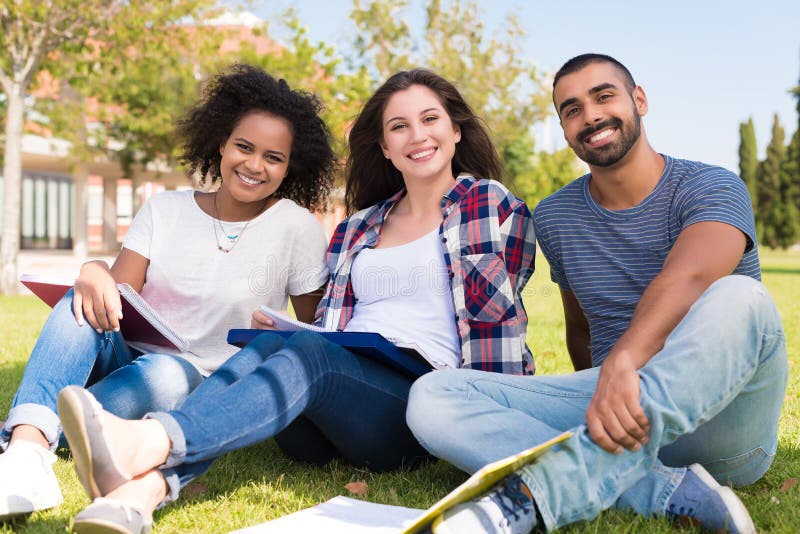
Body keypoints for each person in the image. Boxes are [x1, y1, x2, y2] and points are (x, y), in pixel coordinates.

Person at [54, 68, 536, 534]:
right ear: (385, 147)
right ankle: (140, 481)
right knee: (273, 345)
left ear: (455, 130)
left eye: (430, 120)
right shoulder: (357, 228)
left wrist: (493, 419)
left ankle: (144, 463)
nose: (416, 135)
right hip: (331, 405)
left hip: (414, 407)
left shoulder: (486, 205)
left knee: (309, 353)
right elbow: (325, 322)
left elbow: (497, 319)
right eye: (398, 126)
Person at [407, 53, 787, 534]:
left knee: (741, 298)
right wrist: (606, 389)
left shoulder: (712, 186)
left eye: (604, 96)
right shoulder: (556, 216)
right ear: (564, 129)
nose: (590, 115)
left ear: (639, 100)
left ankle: (540, 493)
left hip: (721, 420)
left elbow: (689, 279)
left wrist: (624, 362)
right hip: (619, 408)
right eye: (571, 109)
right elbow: (582, 327)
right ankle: (666, 490)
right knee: (432, 396)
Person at [0, 64, 334, 520]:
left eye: (273, 157)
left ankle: (45, 422)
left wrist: (278, 331)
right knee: (76, 304)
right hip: (123, 354)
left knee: (159, 378)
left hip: (189, 383)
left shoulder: (297, 227)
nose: (255, 165)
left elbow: (316, 330)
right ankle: (24, 456)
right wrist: (93, 270)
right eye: (244, 146)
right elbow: (115, 296)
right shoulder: (166, 209)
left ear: (289, 166)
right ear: (221, 142)